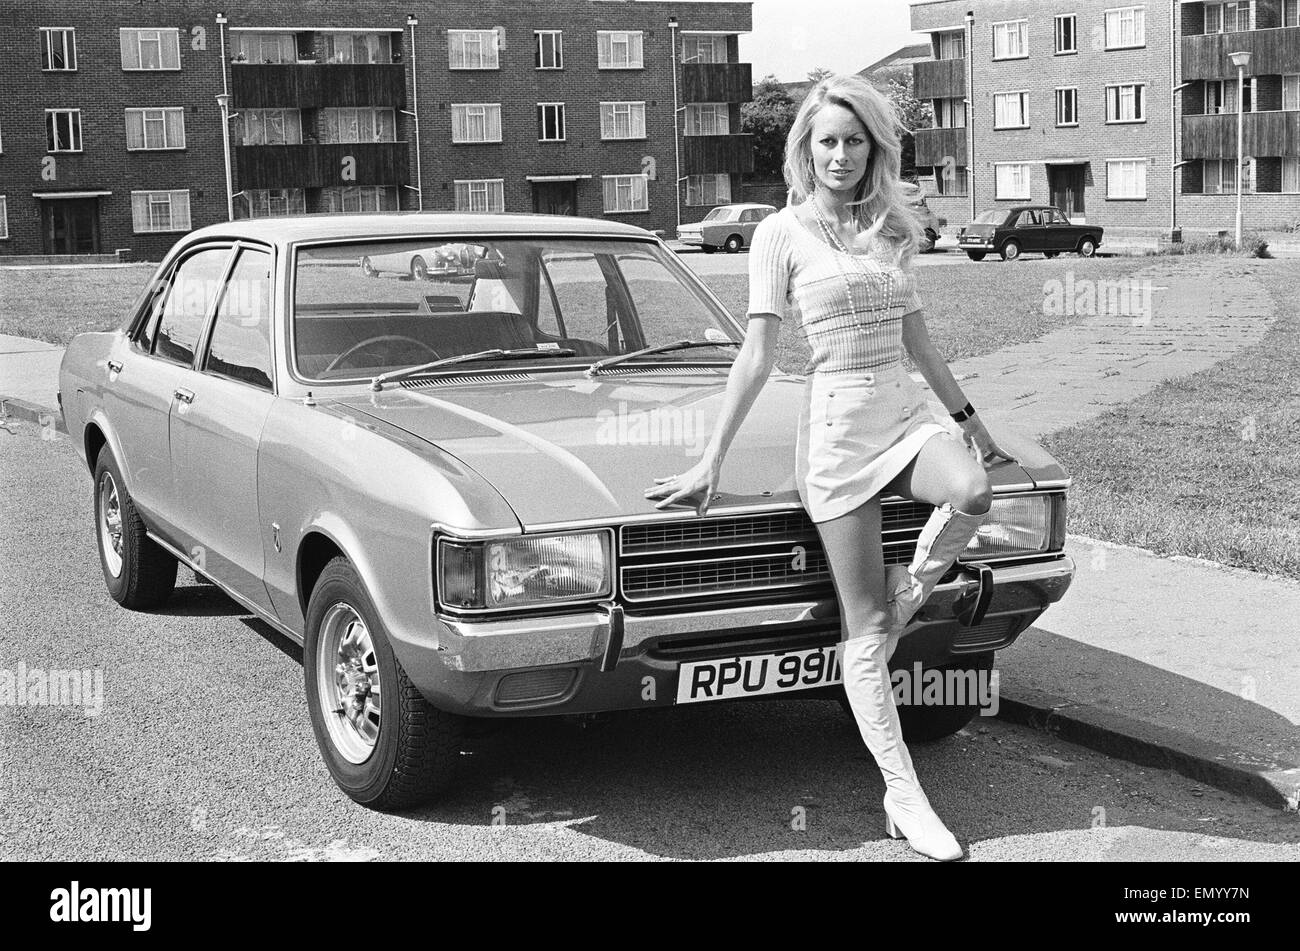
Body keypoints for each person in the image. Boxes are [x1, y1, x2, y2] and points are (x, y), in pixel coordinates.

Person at [644, 74, 1017, 861]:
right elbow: (758, 351)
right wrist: (711, 454)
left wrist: (972, 425)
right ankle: (904, 792)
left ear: (873, 148)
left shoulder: (887, 228)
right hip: (839, 432)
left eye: (855, 140)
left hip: (904, 413)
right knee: (866, 627)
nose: (842, 154)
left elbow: (921, 344)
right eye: (828, 141)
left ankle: (899, 607)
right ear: (805, 151)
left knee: (974, 492)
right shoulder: (781, 233)